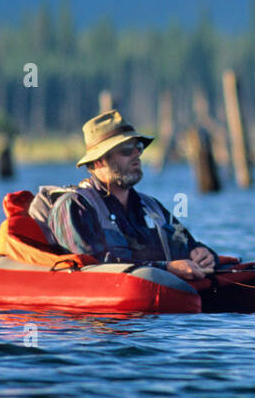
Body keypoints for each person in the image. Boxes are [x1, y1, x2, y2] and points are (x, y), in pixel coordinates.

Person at [37, 110, 222, 283]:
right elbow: (92, 266)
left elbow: (186, 244)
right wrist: (167, 268)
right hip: (104, 314)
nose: (137, 155)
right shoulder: (74, 206)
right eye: (126, 150)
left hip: (156, 311)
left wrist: (204, 254)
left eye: (138, 148)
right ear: (100, 160)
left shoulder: (152, 207)